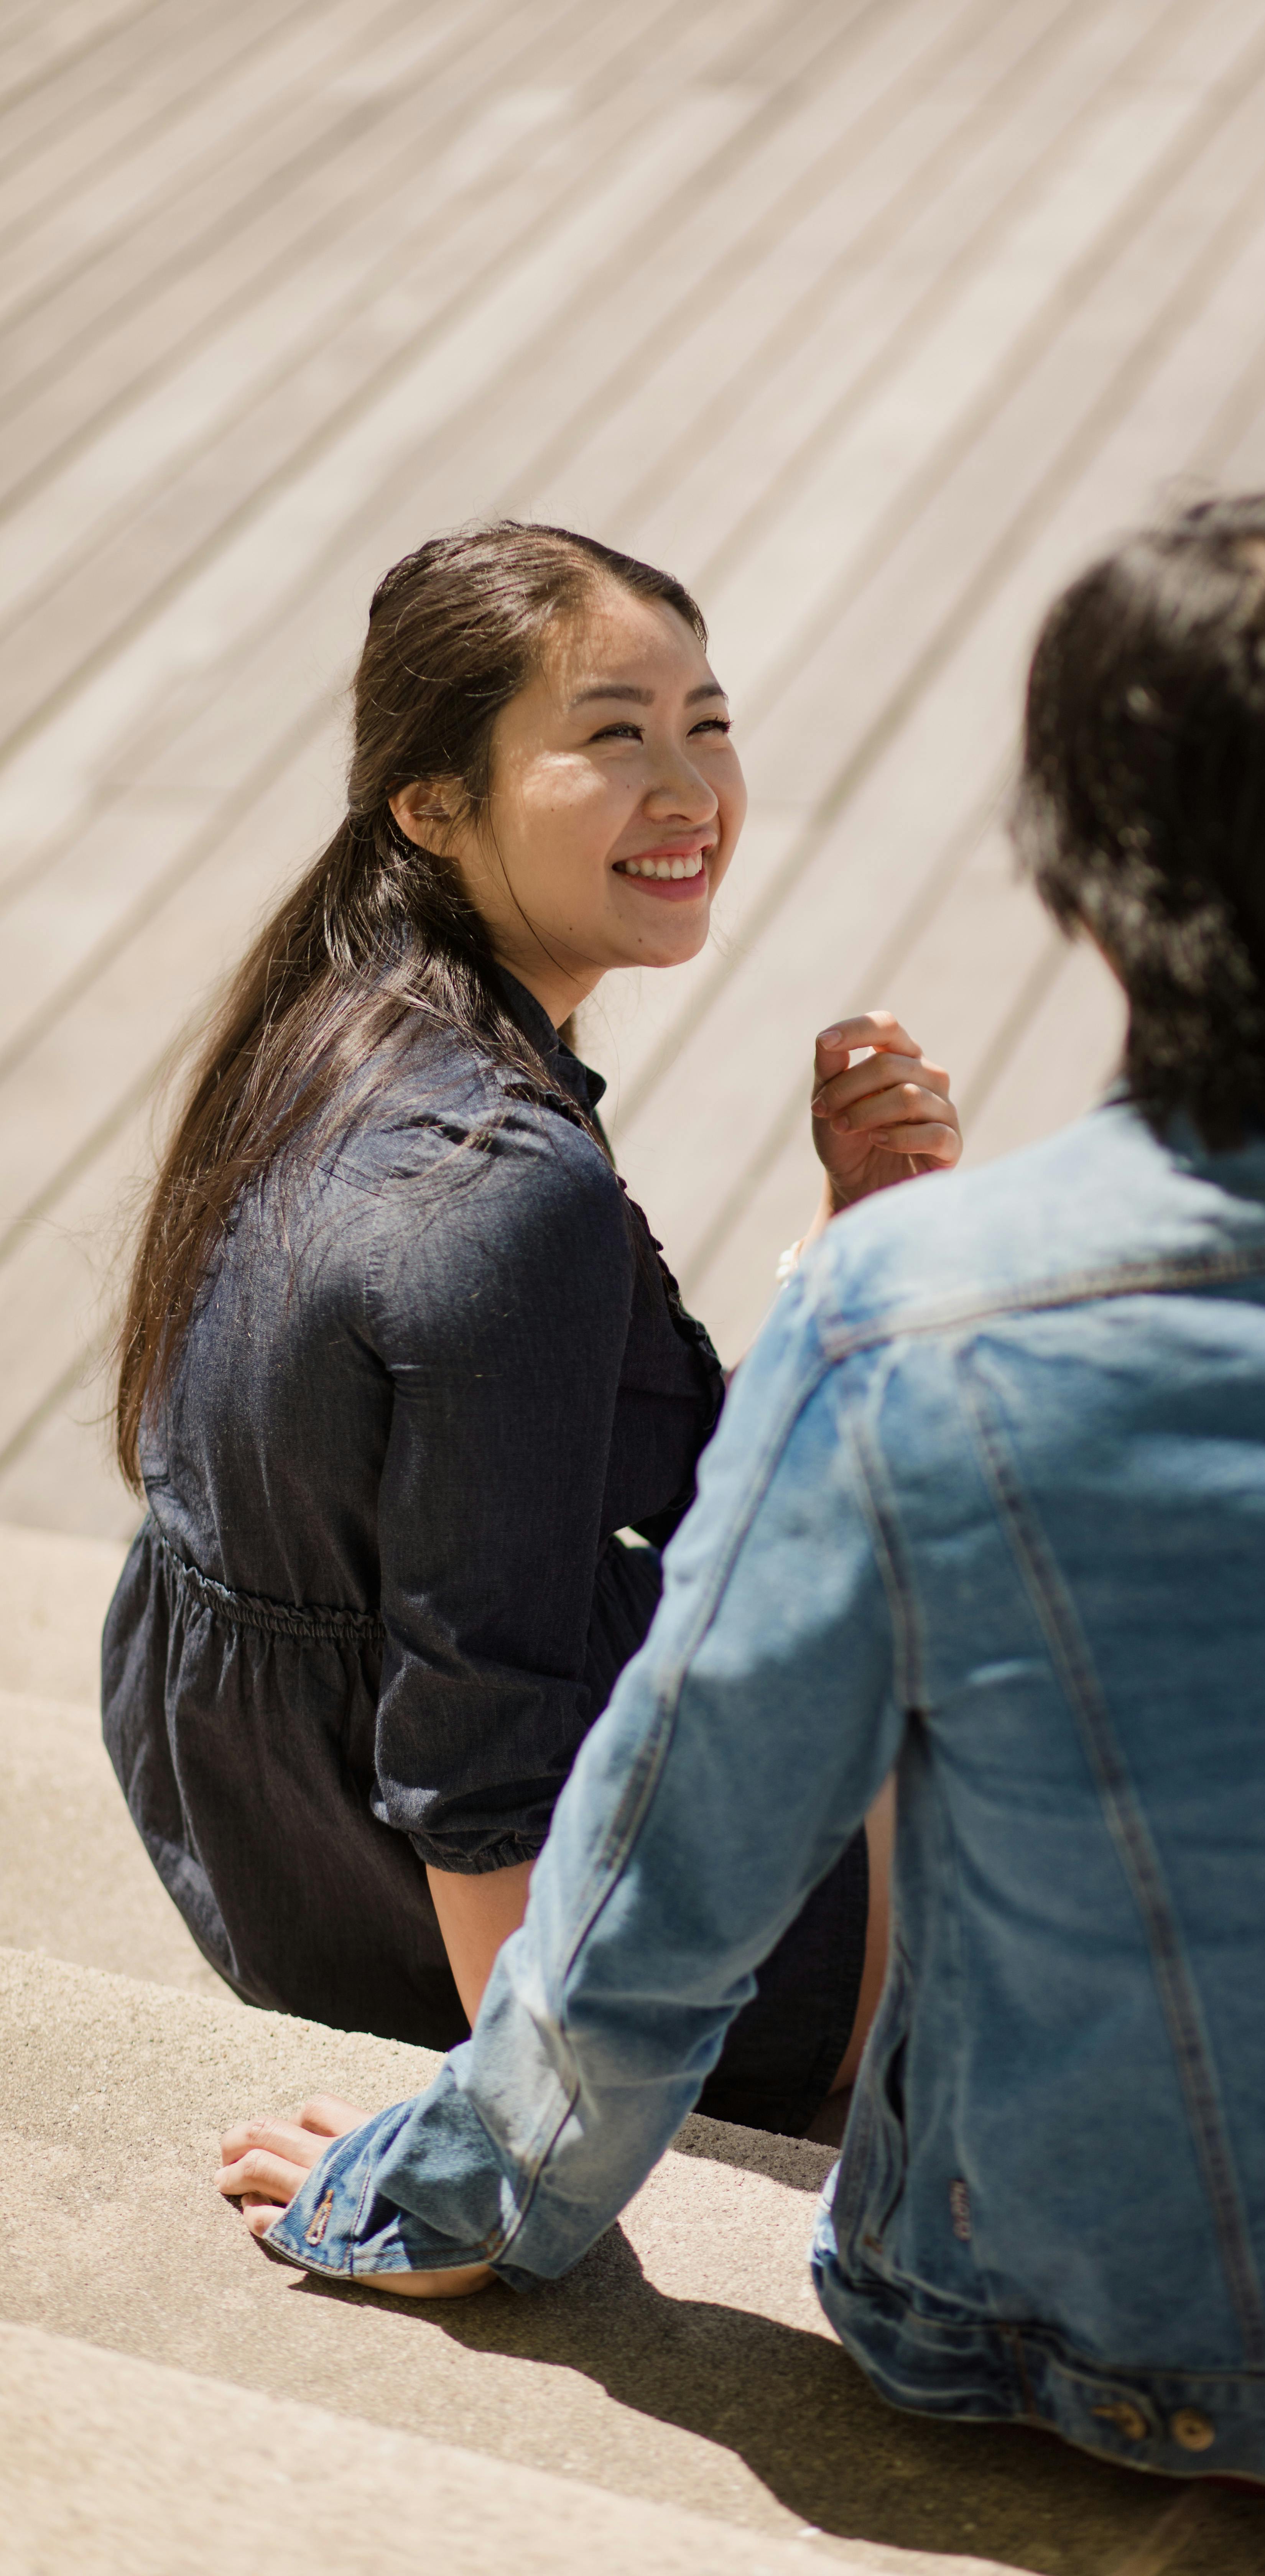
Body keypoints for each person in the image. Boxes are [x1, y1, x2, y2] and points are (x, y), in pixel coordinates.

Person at [219, 493, 1265, 2497]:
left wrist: (456, 2192)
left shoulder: (905, 1323)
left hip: (1122, 2355)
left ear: (1095, 896)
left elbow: (671, 1884)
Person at [104, 521, 961, 2136]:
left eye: (706, 724)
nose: (691, 793)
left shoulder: (346, 1024)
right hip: (436, 1909)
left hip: (272, 1838)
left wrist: (847, 1242)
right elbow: (475, 1752)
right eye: (611, 738)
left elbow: (621, 1496)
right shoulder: (502, 1187)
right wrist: (490, 2160)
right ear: (432, 809)